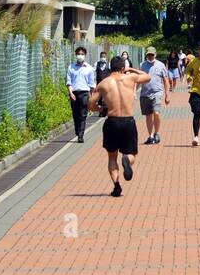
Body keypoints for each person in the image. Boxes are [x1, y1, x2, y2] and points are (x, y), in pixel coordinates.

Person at [88, 55, 150, 196]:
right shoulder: (130, 78)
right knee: (131, 153)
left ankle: (116, 185)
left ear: (110, 68)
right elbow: (147, 76)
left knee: (111, 156)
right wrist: (132, 69)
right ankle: (127, 160)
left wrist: (100, 109)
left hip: (112, 122)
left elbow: (91, 104)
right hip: (128, 121)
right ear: (123, 68)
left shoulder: (104, 83)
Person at [139, 45, 170, 145]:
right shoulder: (142, 65)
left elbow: (165, 80)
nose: (150, 57)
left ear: (155, 55)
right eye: (149, 55)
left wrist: (167, 95)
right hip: (144, 94)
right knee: (148, 116)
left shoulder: (161, 65)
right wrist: (133, 92)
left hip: (157, 92)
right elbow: (137, 79)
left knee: (156, 113)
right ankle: (150, 135)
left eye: (152, 55)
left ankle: (156, 132)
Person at [66, 45, 95, 142]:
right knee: (75, 114)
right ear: (75, 55)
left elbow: (91, 84)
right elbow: (69, 82)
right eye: (78, 54)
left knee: (83, 114)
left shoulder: (89, 68)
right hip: (74, 93)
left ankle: (81, 135)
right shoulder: (71, 67)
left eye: (82, 54)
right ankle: (77, 131)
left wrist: (92, 97)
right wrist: (71, 93)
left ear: (85, 55)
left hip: (85, 93)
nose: (80, 56)